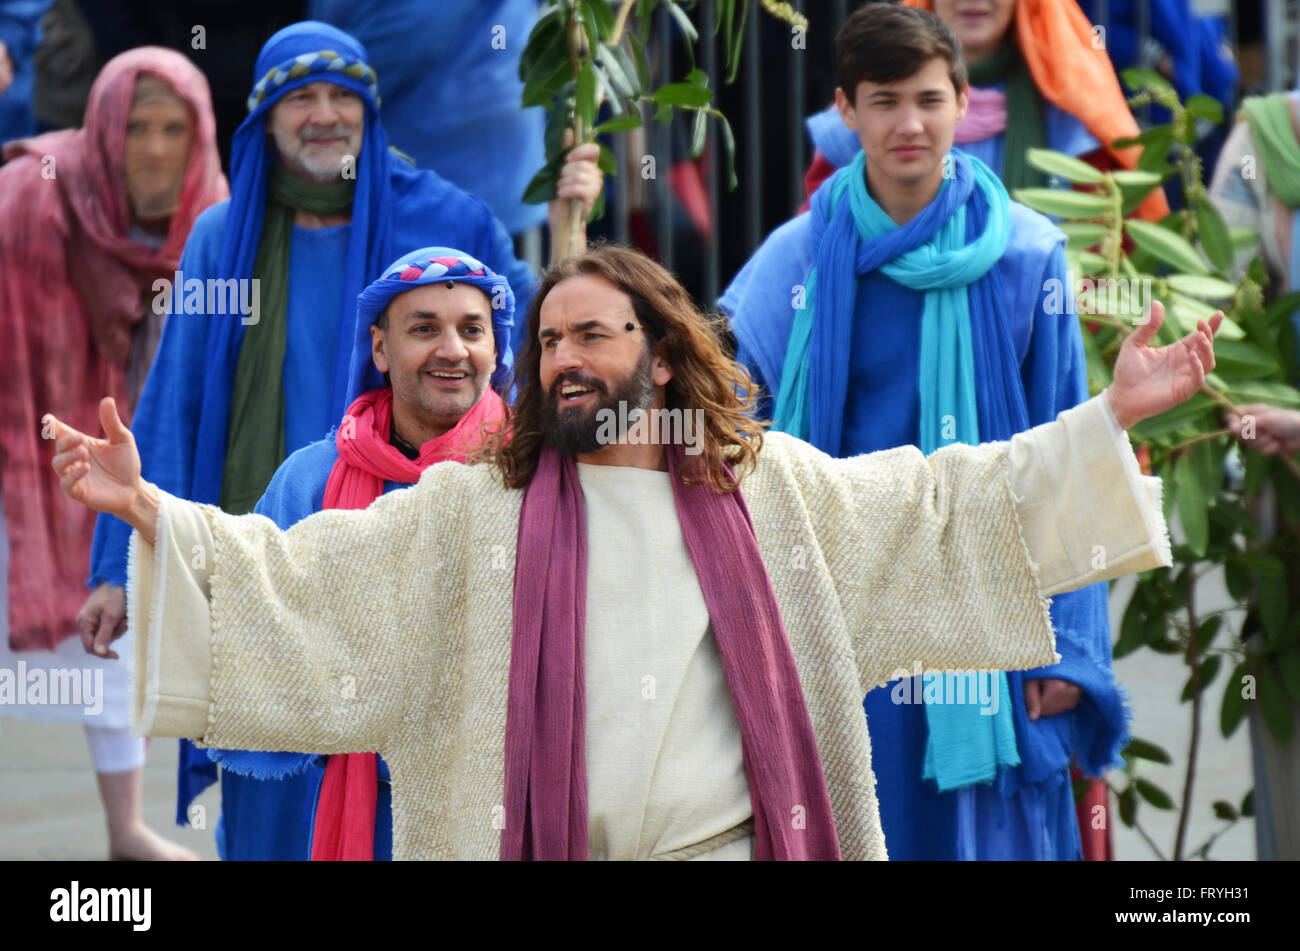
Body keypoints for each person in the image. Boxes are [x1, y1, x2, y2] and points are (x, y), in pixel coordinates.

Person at [48, 242, 1221, 860]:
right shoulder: (470, 516)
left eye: (592, 336)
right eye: (549, 336)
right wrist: (156, 516)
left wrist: (1105, 419)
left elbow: (947, 505)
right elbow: (305, 585)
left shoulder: (773, 496)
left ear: (658, 354)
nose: (563, 356)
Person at [82, 20, 602, 858]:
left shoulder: (440, 214)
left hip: (410, 547)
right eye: (301, 98)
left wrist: (574, 227)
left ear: (369, 111)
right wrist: (117, 568)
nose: (324, 115)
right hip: (267, 546)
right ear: (265, 119)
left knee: (407, 779)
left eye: (342, 97)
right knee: (275, 772)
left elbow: (537, 334)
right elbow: (174, 399)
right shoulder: (225, 236)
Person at [719, 4, 1128, 860]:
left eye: (929, 99)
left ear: (962, 101)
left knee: (990, 831)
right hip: (841, 608)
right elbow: (728, 426)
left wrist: (1071, 646)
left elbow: (1073, 455)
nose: (909, 124)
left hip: (992, 604)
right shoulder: (794, 260)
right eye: (884, 100)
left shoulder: (1026, 254)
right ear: (846, 110)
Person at [209, 246, 516, 862]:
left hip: (490, 809)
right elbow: (249, 636)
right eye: (424, 328)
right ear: (380, 349)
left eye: (471, 330)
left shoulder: (528, 478)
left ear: (494, 349)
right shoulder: (309, 481)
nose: (452, 350)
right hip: (341, 807)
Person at [0, 46, 226, 860]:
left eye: (174, 127)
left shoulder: (209, 208)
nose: (157, 149)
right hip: (17, 450)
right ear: (102, 128)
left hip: (127, 453)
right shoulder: (28, 200)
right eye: (136, 127)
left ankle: (126, 832)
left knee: (109, 640)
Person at [802, 0, 1168, 221]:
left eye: (930, 101)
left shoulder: (1070, 113)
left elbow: (1103, 264)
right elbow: (817, 245)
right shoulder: (860, 122)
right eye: (889, 102)